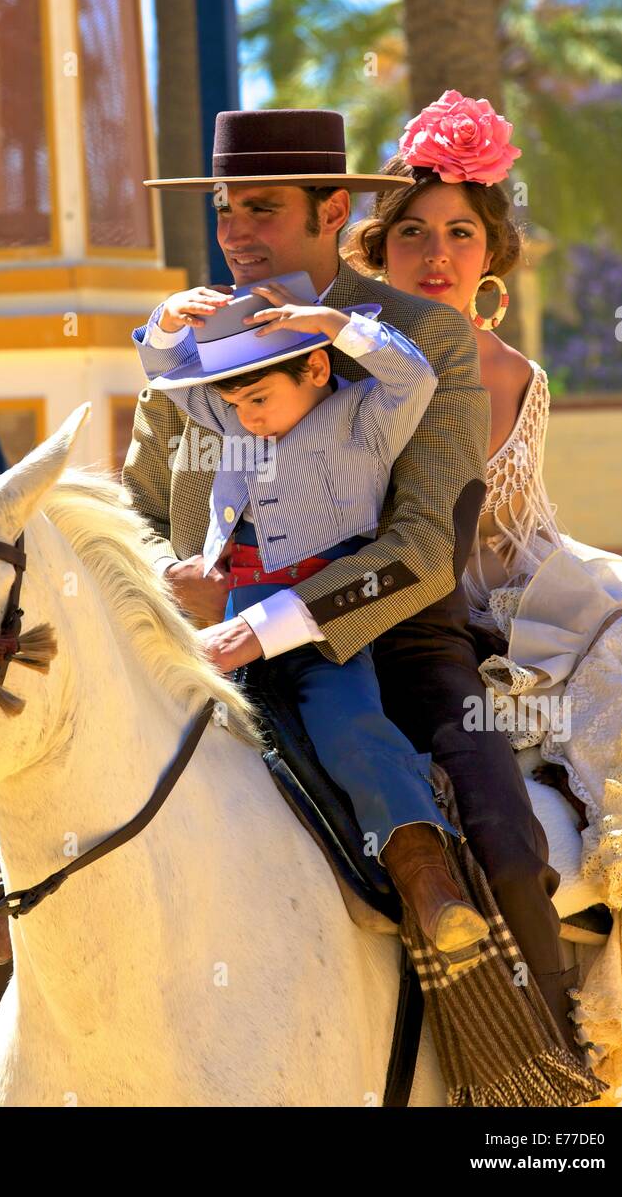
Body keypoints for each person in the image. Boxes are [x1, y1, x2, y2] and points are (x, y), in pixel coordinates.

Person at [119, 107, 581, 1053]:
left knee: (504, 832)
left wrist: (269, 620)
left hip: (401, 637)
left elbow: (423, 549)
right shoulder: (185, 341)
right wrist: (169, 580)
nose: (238, 234)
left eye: (263, 210)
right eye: (224, 211)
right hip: (202, 640)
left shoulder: (421, 338)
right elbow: (138, 500)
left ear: (332, 209)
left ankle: (543, 1083)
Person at [344, 87, 622, 1089]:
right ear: (379, 251)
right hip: (374, 611)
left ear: (489, 256)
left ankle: (589, 1032)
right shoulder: (334, 358)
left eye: (459, 234)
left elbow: (466, 539)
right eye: (414, 235)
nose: (435, 254)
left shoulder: (510, 372)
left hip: (506, 599)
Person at [131, 268, 489, 963]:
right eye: (232, 403)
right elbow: (167, 370)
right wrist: (170, 321)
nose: (245, 417)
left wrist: (337, 324)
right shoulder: (231, 411)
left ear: (318, 368)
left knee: (348, 724)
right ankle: (11, 888)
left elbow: (410, 377)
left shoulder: (365, 420)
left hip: (324, 620)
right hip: (231, 604)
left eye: (259, 398)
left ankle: (425, 875)